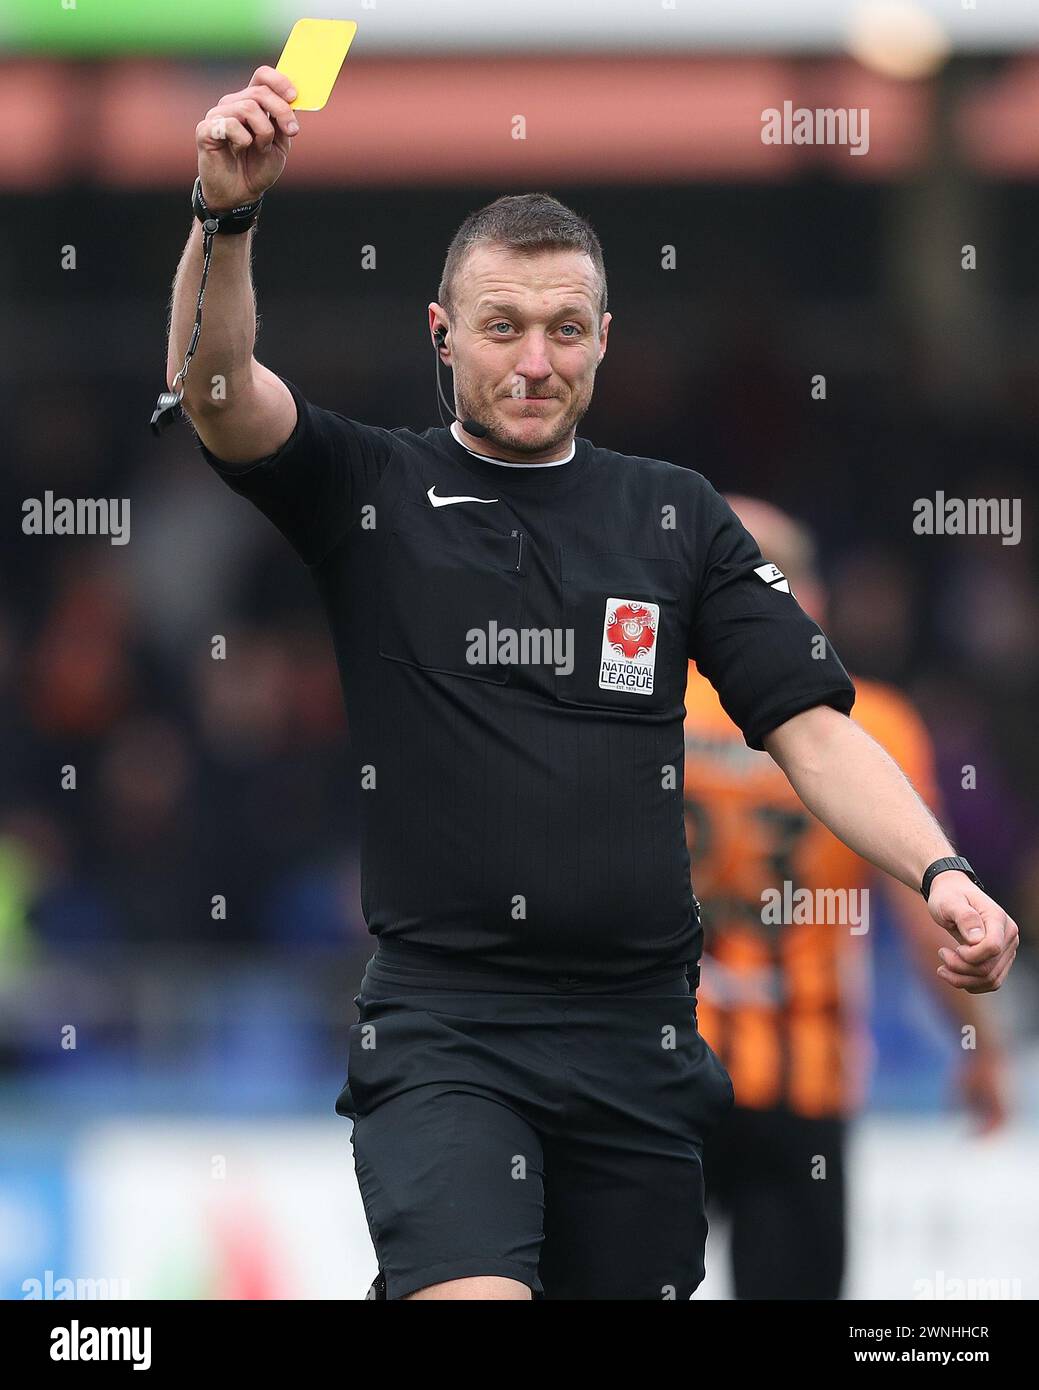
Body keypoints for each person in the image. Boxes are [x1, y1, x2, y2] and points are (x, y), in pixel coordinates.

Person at [163, 65, 1019, 1301]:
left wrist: (938, 871)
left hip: (638, 1040)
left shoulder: (674, 515)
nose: (534, 359)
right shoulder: (375, 490)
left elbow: (811, 728)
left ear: (604, 340)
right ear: (441, 333)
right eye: (501, 327)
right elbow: (220, 394)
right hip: (447, 1029)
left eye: (565, 329)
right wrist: (224, 217)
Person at [683, 496, 1011, 1300]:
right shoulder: (875, 724)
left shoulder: (642, 706)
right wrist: (981, 1052)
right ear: (811, 601)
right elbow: (928, 914)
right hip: (805, 1082)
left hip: (656, 1072)